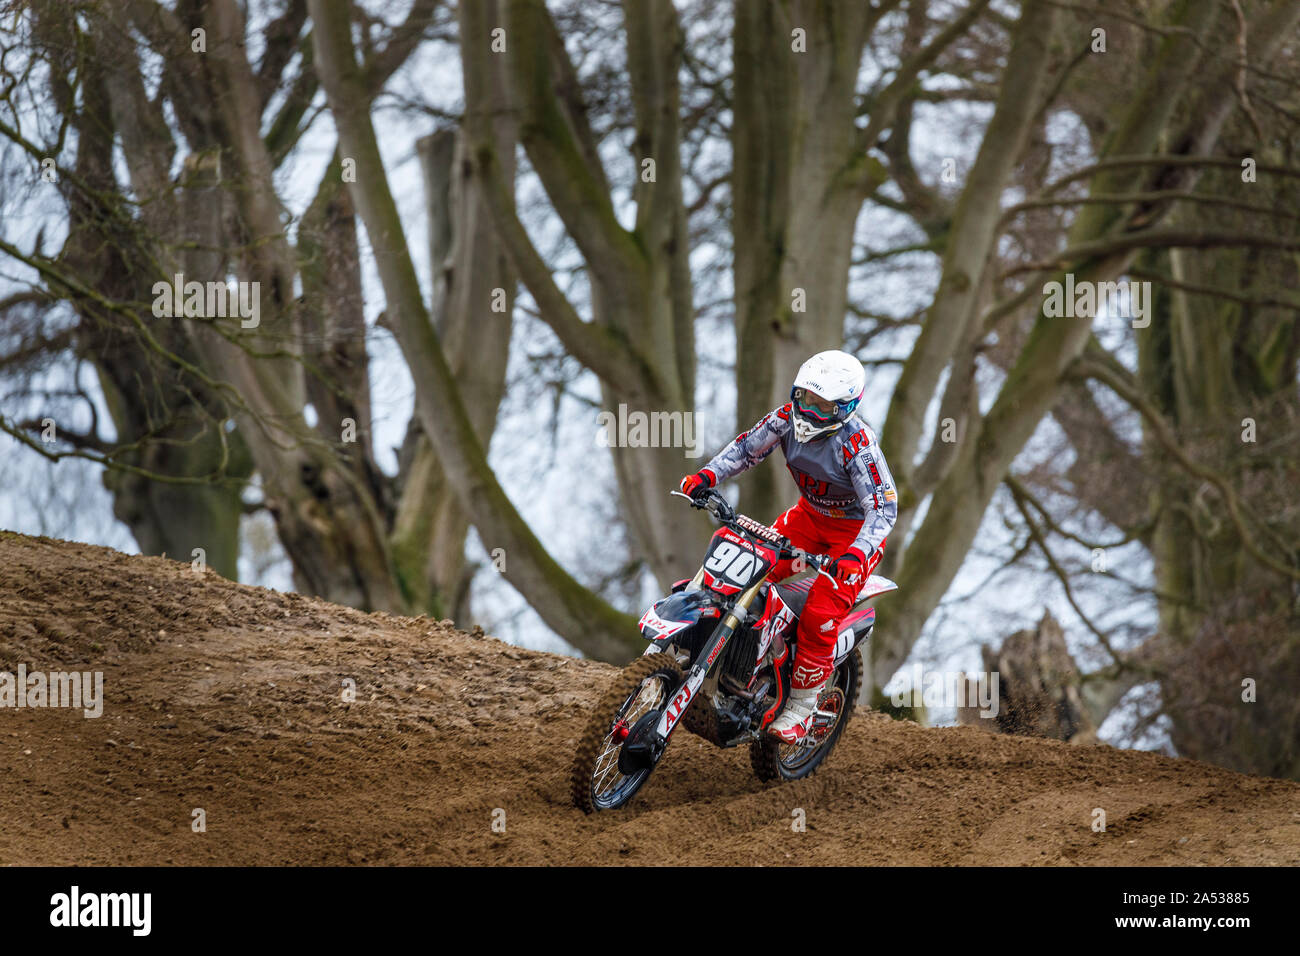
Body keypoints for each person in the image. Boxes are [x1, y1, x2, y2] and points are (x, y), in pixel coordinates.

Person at [679, 350, 897, 744]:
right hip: (808, 519)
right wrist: (708, 474)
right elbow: (747, 449)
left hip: (852, 537)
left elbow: (883, 509)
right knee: (748, 573)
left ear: (846, 408)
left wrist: (856, 554)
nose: (809, 411)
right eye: (805, 398)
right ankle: (741, 661)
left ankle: (800, 707)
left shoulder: (858, 445)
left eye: (823, 405)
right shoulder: (784, 419)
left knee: (818, 612)